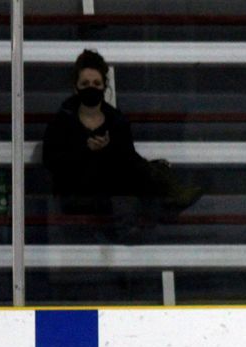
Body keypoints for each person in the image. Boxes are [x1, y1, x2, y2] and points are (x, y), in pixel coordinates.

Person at [42, 49, 202, 240]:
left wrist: (108, 149)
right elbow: (52, 161)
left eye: (96, 83)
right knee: (128, 181)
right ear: (76, 88)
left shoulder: (116, 120)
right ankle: (162, 202)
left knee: (137, 169)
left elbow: (128, 158)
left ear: (104, 86)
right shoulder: (62, 121)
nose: (91, 88)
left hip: (111, 188)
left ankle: (166, 195)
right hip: (77, 192)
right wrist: (86, 150)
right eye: (85, 84)